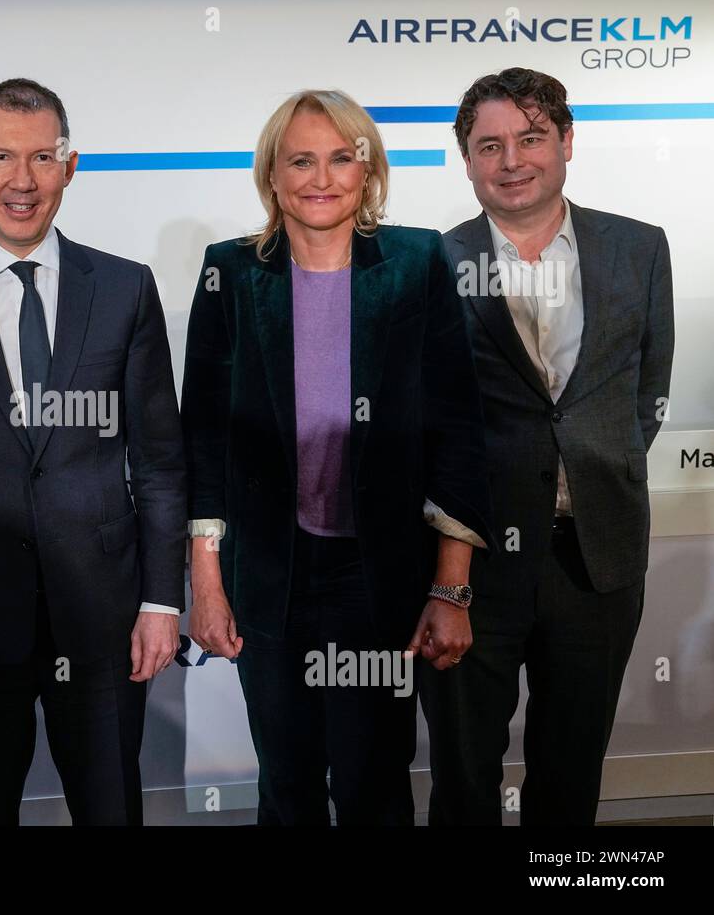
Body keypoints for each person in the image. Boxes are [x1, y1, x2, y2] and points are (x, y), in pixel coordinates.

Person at [0, 78, 187, 825]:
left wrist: (160, 598)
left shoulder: (124, 288)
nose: (22, 180)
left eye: (43, 157)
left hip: (107, 613)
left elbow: (160, 462)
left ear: (70, 166)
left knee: (110, 808)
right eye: (1, 157)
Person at [181, 89, 493, 825]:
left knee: (374, 784)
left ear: (368, 171)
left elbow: (457, 428)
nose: (321, 177)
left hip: (376, 577)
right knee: (286, 786)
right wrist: (206, 581)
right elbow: (203, 438)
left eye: (340, 158)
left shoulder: (418, 261)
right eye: (301, 160)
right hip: (269, 572)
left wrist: (451, 589)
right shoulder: (229, 272)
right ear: (273, 177)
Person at [422, 68, 675, 825]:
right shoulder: (428, 264)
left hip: (595, 558)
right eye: (488, 145)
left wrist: (588, 468)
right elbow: (426, 425)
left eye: (530, 138)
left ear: (566, 141)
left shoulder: (640, 248)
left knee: (570, 778)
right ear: (466, 160)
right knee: (464, 776)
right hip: (472, 567)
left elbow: (644, 397)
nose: (511, 161)